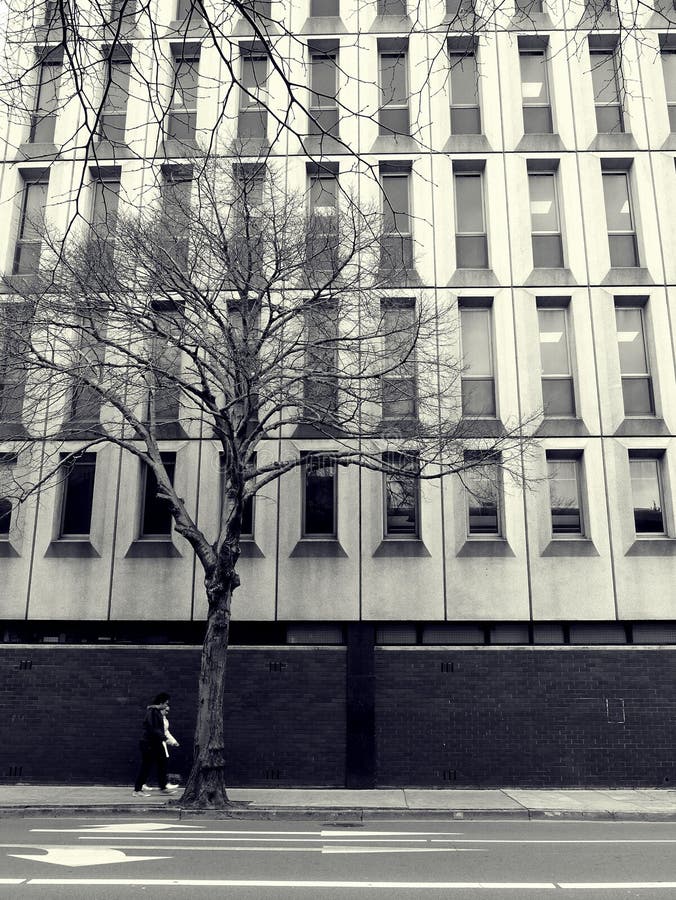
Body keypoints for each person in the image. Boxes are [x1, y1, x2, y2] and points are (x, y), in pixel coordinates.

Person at [133, 692, 179, 796]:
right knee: (146, 766)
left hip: (156, 742)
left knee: (163, 762)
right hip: (148, 743)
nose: (167, 706)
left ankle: (163, 787)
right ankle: (137, 790)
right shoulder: (152, 712)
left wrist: (166, 739)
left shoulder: (157, 712)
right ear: (161, 703)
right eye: (166, 703)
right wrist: (164, 738)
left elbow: (160, 729)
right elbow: (152, 728)